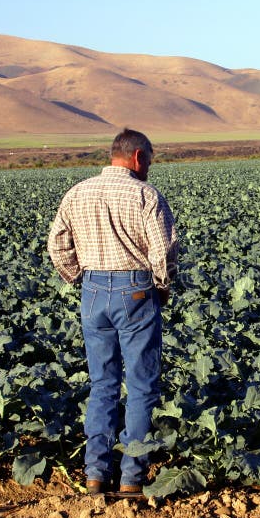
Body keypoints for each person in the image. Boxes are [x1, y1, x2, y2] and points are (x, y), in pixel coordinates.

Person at [47, 128, 178, 495]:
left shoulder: (77, 192)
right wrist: (161, 287)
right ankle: (132, 478)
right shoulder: (145, 195)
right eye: (149, 160)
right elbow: (164, 250)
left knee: (102, 383)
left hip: (92, 291)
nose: (149, 167)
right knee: (140, 384)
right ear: (137, 157)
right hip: (135, 289)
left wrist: (79, 277)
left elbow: (57, 245)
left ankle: (95, 474)